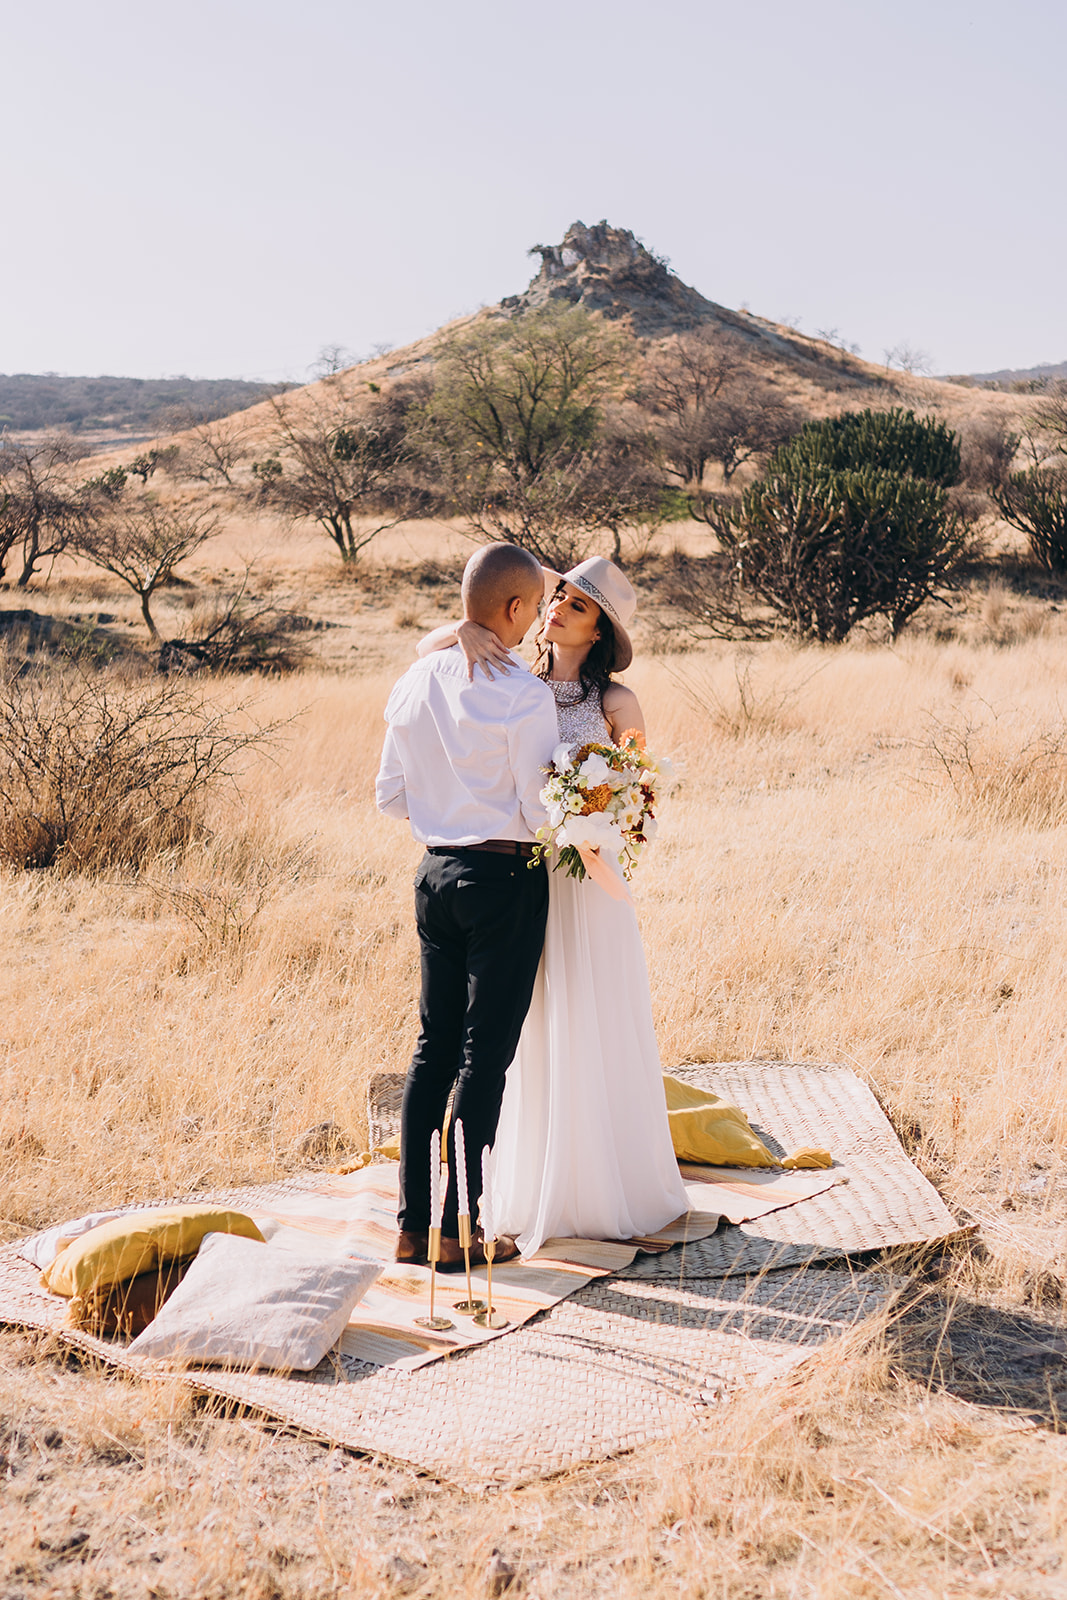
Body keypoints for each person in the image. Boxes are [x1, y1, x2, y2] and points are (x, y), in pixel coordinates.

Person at [418, 556, 688, 1254]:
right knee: (521, 1034)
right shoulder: (517, 678)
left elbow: (638, 803)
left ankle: (598, 1184)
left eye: (579, 603)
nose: (560, 606)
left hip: (589, 884)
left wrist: (589, 824)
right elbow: (429, 655)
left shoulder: (616, 702)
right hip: (522, 879)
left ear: (600, 629)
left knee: (591, 1018)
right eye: (558, 594)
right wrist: (463, 628)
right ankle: (524, 1181)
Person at [375, 543, 558, 1269]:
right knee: (483, 1061)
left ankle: (411, 1227)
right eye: (537, 607)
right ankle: (463, 1231)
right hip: (503, 882)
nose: (539, 620)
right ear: (514, 610)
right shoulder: (523, 693)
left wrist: (444, 807)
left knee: (431, 1053)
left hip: (432, 876)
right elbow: (539, 811)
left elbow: (388, 797)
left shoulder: (416, 679)